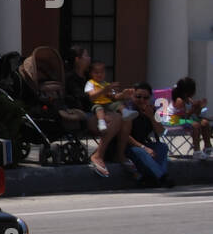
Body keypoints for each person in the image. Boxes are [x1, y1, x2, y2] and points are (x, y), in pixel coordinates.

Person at [63, 46, 131, 178]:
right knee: (116, 118)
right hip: (83, 114)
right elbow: (82, 98)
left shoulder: (91, 76)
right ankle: (98, 155)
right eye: (86, 56)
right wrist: (104, 91)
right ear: (77, 59)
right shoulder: (70, 78)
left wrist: (122, 94)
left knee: (126, 119)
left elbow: (109, 95)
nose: (89, 58)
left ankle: (120, 154)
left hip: (100, 110)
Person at [125, 82, 173, 187]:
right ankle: (162, 177)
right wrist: (144, 147)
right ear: (132, 96)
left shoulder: (151, 110)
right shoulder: (128, 110)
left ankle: (154, 176)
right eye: (138, 97)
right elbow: (125, 136)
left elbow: (160, 131)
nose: (142, 100)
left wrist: (151, 117)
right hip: (128, 146)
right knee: (141, 152)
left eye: (145, 98)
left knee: (162, 147)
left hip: (143, 143)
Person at [170, 76, 212, 158]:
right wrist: (193, 109)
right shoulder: (179, 100)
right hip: (175, 120)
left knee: (205, 123)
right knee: (195, 125)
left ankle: (208, 147)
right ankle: (197, 150)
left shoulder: (189, 100)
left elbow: (196, 114)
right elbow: (183, 116)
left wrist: (199, 107)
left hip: (186, 120)